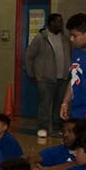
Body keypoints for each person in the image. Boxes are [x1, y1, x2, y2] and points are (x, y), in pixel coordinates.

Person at [24, 12, 69, 140]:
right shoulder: (41, 38)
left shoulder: (65, 38)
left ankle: (57, 128)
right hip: (45, 78)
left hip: (62, 78)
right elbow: (29, 56)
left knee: (59, 105)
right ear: (51, 23)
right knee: (45, 105)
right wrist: (31, 73)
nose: (61, 24)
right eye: (59, 21)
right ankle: (43, 128)